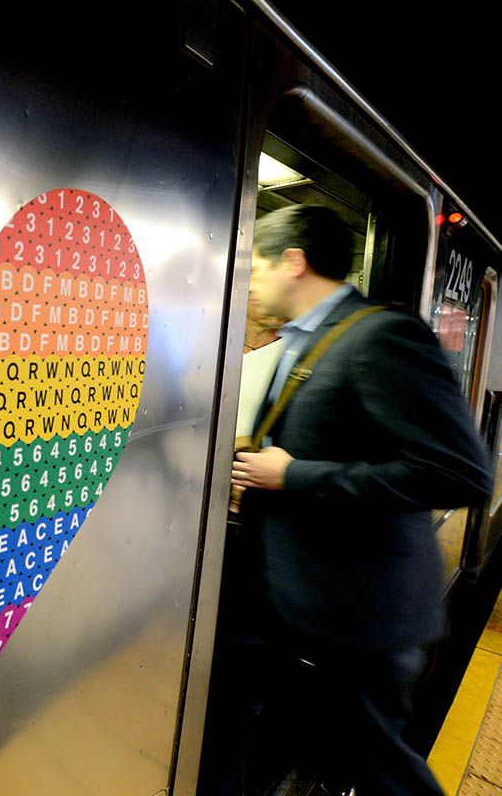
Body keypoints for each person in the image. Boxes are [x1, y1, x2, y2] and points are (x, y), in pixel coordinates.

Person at [200, 204, 493, 796]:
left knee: (378, 765)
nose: (249, 283)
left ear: (293, 262)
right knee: (236, 719)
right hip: (294, 595)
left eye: (256, 267)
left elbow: (460, 473)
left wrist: (294, 475)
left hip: (361, 615)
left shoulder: (383, 336)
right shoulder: (308, 340)